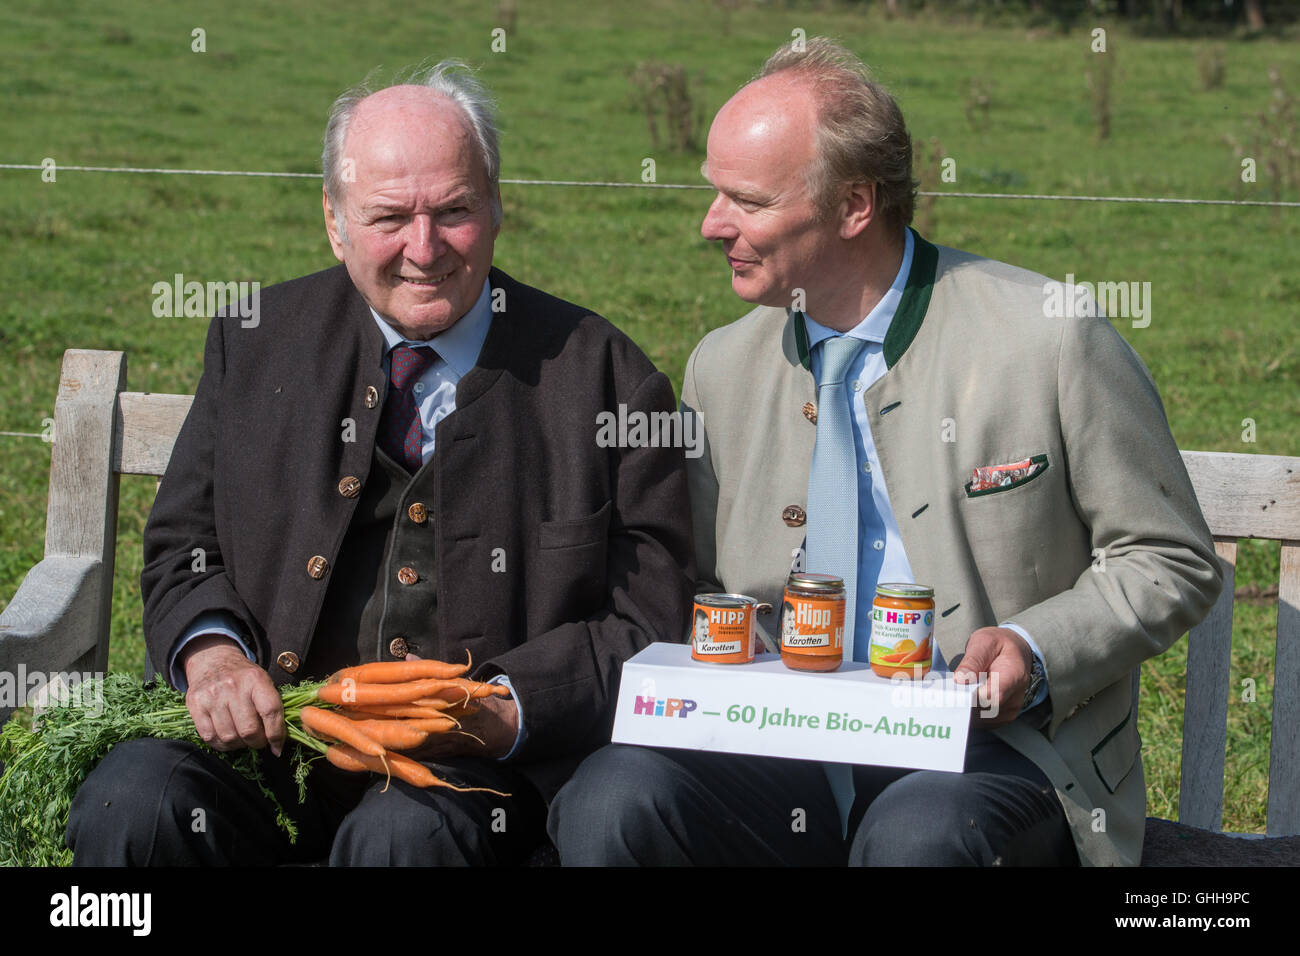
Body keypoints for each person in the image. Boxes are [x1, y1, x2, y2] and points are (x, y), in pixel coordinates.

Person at [548, 38, 1222, 867]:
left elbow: (1169, 558)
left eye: (747, 200)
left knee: (918, 838)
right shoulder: (721, 364)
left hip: (996, 753)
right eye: (712, 192)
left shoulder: (1049, 337)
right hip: (780, 740)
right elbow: (700, 578)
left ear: (855, 205)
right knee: (609, 800)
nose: (711, 224)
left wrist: (1033, 650)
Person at [66, 61, 694, 866]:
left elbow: (649, 616)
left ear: (498, 206)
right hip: (268, 751)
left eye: (455, 212)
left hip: (469, 781)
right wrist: (214, 655)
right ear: (335, 222)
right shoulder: (255, 343)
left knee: (401, 840)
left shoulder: (604, 376)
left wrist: (500, 707)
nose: (424, 249)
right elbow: (186, 546)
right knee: (135, 804)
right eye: (389, 216)